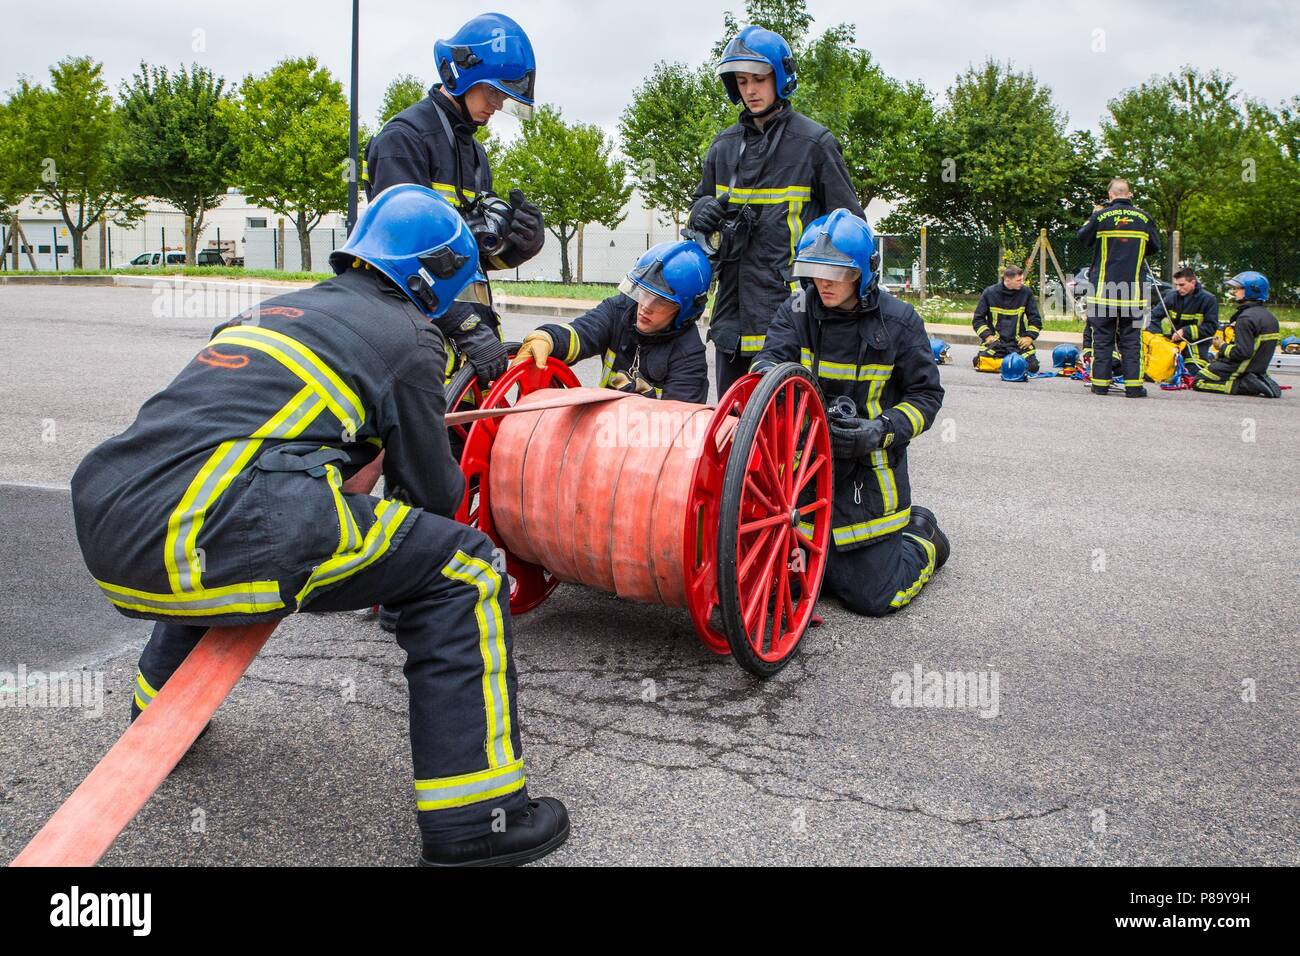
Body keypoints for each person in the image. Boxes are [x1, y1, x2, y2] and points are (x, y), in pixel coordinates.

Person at [69, 185, 569, 867]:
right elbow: (433, 496)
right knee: (467, 566)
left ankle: (160, 720)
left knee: (225, 534)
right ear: (438, 277)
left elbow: (250, 438)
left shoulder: (273, 309)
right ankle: (479, 819)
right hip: (217, 525)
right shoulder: (408, 335)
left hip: (116, 522)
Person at [751, 209, 948, 617]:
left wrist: (878, 430)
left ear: (862, 272)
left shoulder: (899, 321)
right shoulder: (796, 311)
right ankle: (832, 559)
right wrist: (773, 380)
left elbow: (926, 396)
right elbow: (767, 364)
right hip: (802, 475)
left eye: (835, 272)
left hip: (870, 474)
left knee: (873, 599)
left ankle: (922, 534)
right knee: (779, 587)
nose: (823, 282)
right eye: (814, 270)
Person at [364, 12, 546, 387]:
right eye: (492, 91)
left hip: (464, 351)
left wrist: (516, 247)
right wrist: (466, 327)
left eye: (503, 95)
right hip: (412, 348)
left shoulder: (475, 154)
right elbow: (400, 259)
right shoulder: (404, 140)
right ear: (462, 74)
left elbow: (471, 259)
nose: (496, 105)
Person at [686, 25, 864, 399]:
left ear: (781, 78)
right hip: (732, 313)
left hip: (794, 311)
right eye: (742, 80)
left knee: (787, 432)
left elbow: (849, 226)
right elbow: (699, 221)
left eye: (759, 79)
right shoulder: (722, 147)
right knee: (733, 425)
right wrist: (699, 212)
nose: (750, 90)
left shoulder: (814, 144)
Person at [513, 241, 711, 403]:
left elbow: (679, 432)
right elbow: (582, 332)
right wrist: (548, 338)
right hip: (600, 430)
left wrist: (642, 407)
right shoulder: (619, 311)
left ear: (685, 311)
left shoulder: (689, 357)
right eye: (643, 292)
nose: (644, 306)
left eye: (660, 301)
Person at [1077, 178, 1162, 397]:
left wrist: (1093, 215)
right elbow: (1155, 247)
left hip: (1103, 292)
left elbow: (1082, 238)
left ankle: (1100, 385)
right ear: (1130, 194)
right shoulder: (1145, 218)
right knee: (1131, 340)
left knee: (1103, 340)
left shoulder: (1101, 216)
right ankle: (1133, 387)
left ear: (1111, 195)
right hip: (1133, 294)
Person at [1193, 271, 1282, 397]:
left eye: (1237, 288)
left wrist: (1222, 346)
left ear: (1252, 290)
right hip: (1257, 367)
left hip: (1241, 368)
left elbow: (1242, 352)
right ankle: (1257, 378)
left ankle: (1245, 385)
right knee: (1210, 367)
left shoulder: (1246, 318)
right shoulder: (1270, 317)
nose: (1234, 292)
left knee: (1199, 380)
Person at [972, 265, 1043, 372]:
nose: (1022, 282)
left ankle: (1005, 365)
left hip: (1018, 343)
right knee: (979, 363)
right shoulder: (989, 293)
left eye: (1022, 279)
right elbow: (978, 319)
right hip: (996, 343)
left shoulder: (1026, 293)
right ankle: (1010, 365)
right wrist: (987, 336)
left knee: (1032, 367)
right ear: (1007, 280)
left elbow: (1035, 320)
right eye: (1019, 280)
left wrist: (1029, 337)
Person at [1152, 266, 1219, 375]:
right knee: (1157, 371)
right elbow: (1154, 316)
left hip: (1196, 345)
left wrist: (1185, 331)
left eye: (1182, 285)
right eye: (1176, 285)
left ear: (1193, 282)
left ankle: (1208, 357)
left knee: (1191, 372)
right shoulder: (1171, 297)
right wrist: (1158, 337)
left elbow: (1211, 328)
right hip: (1174, 343)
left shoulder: (1208, 299)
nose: (1178, 288)